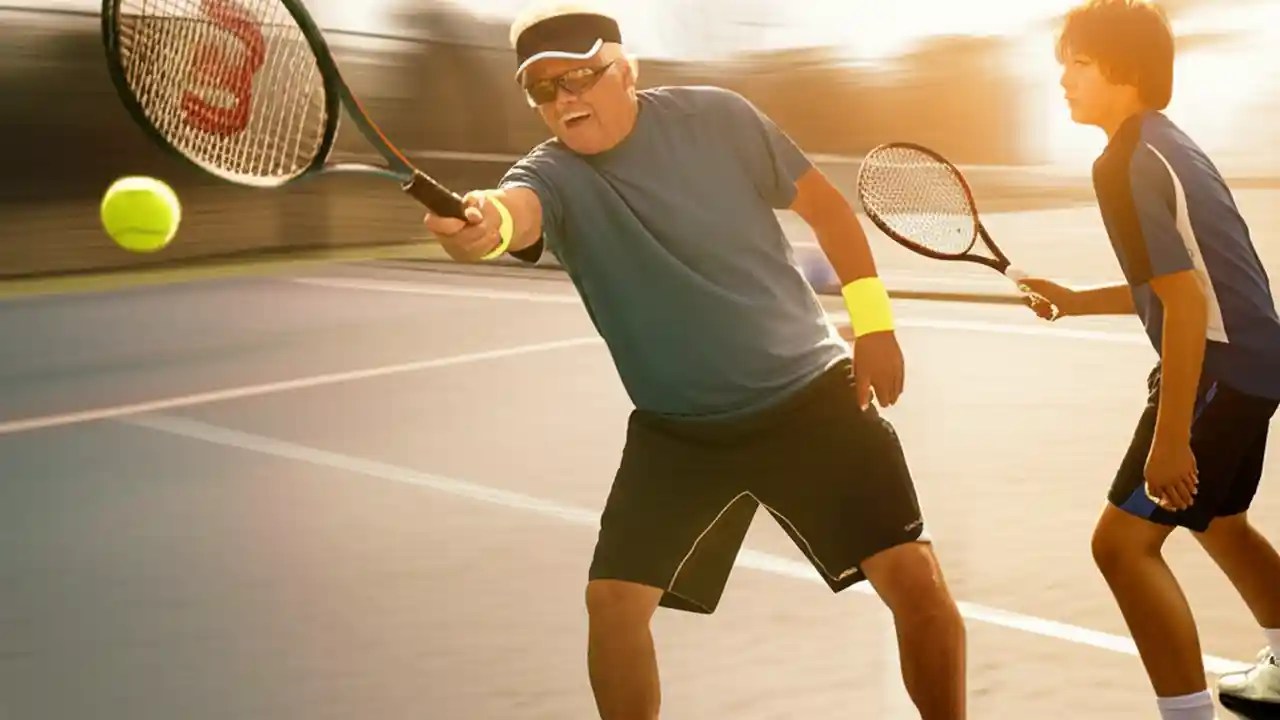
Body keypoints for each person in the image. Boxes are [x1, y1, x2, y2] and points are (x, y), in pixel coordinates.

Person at [423, 2, 968, 718]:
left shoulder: (718, 118)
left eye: (582, 77)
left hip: (808, 395)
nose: (566, 99)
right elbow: (509, 215)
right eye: (544, 89)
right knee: (614, 605)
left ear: (628, 70)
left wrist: (874, 326)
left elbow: (828, 209)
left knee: (915, 582)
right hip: (679, 432)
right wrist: (482, 225)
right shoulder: (549, 175)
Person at [1022, 2, 1280, 718]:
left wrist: (1170, 440)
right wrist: (1076, 300)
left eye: (1077, 63)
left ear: (1125, 72)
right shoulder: (1172, 144)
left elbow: (1189, 305)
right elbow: (1188, 281)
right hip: (1258, 362)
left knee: (1122, 548)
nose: (1063, 81)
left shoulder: (1122, 163)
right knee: (1221, 520)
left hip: (1216, 370)